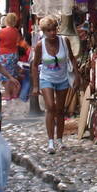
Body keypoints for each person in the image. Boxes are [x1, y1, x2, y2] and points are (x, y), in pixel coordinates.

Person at [31, 16, 75, 152]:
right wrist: (36, 85)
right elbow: (34, 65)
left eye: (54, 29)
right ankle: (50, 142)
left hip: (62, 79)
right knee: (51, 106)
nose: (52, 33)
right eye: (49, 30)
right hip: (46, 78)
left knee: (61, 110)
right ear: (44, 31)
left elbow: (72, 58)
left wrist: (77, 76)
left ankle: (60, 140)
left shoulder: (64, 41)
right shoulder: (40, 45)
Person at [0, 12, 24, 101]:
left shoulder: (2, 31)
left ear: (6, 20)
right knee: (12, 75)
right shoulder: (16, 31)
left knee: (5, 77)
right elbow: (18, 41)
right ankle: (14, 93)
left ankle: (7, 94)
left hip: (4, 55)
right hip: (14, 54)